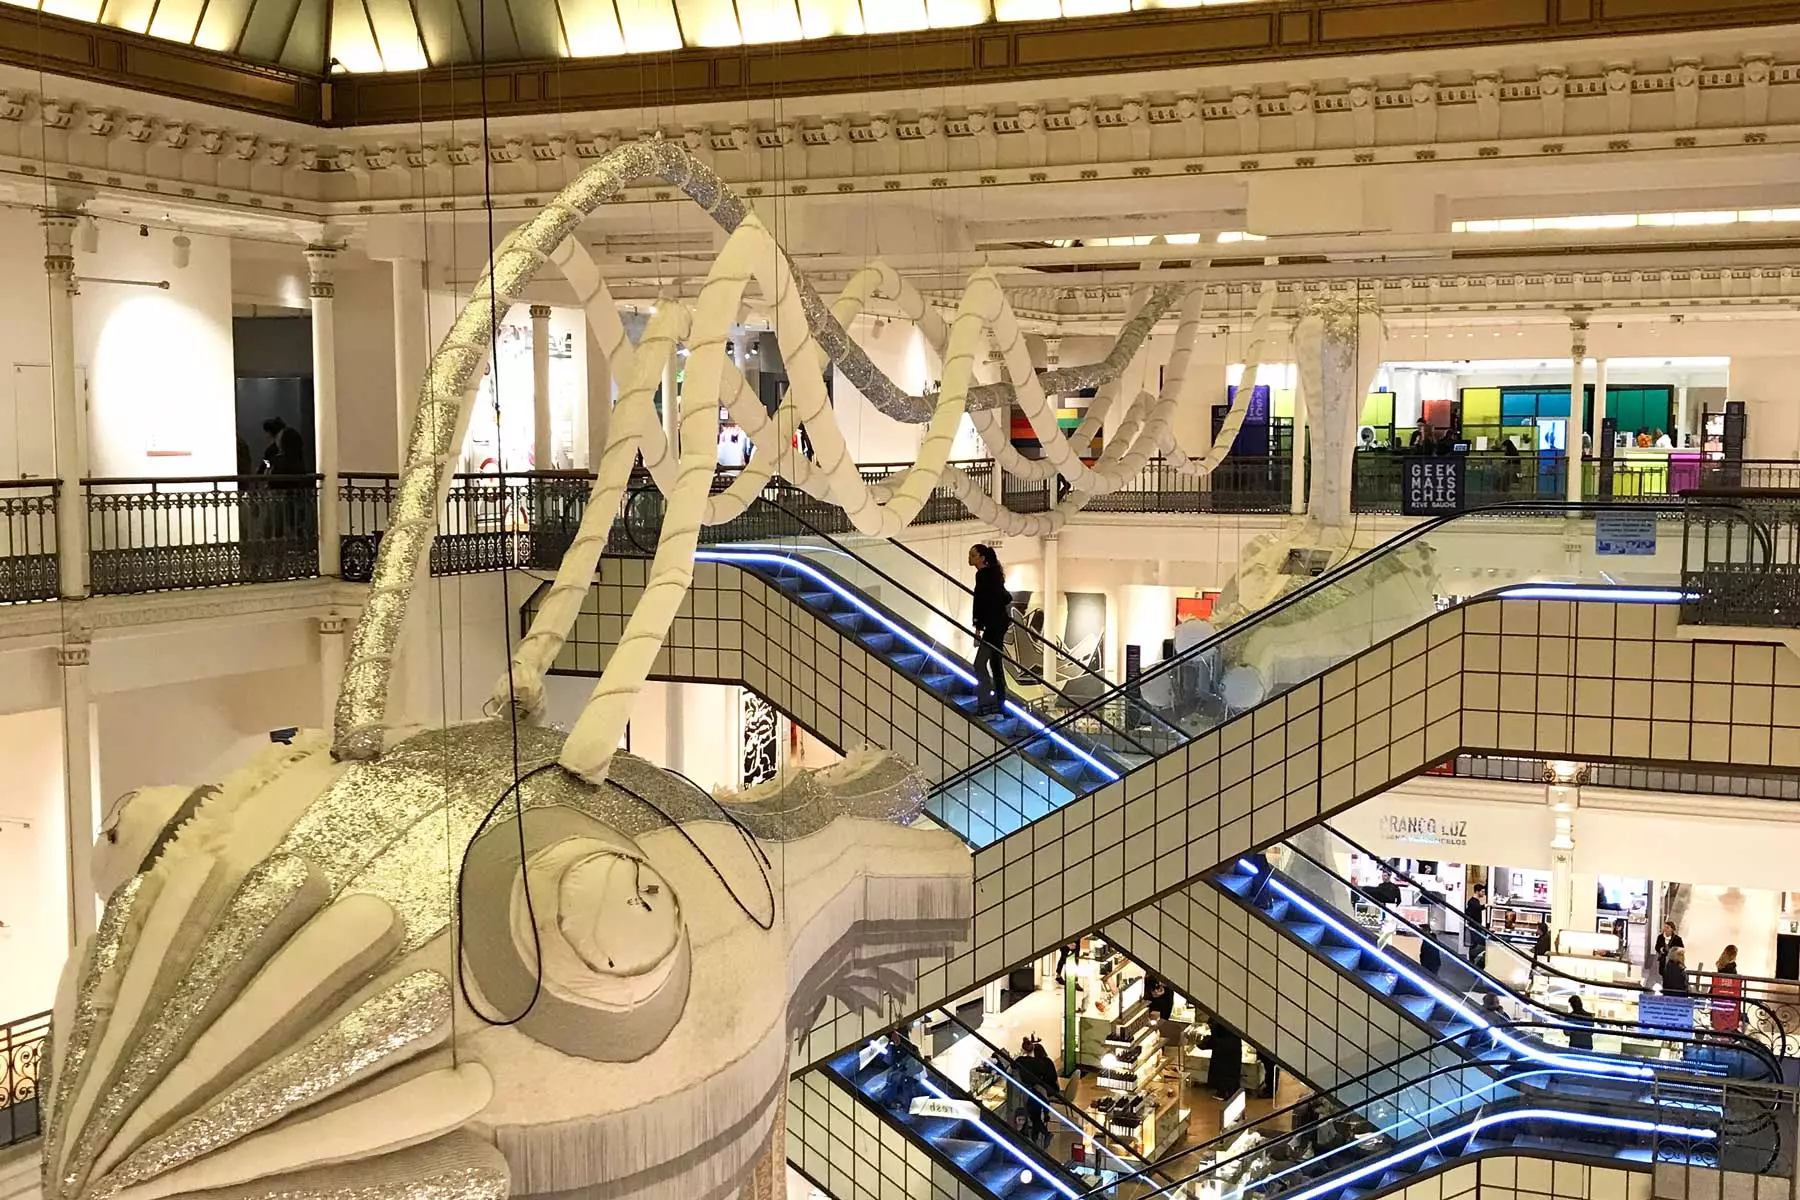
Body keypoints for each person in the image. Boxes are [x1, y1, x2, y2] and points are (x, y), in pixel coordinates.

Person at [968, 543, 1011, 715]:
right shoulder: (993, 573)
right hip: (998, 623)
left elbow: (979, 601)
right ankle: (999, 701)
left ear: (982, 558)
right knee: (995, 664)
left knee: (980, 663)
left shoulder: (984, 575)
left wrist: (978, 628)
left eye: (973, 555)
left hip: (994, 625)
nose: (969, 558)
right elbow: (1004, 597)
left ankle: (986, 700)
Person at [1201, 1023, 1243, 1098]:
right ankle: (1232, 1091)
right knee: (1232, 1070)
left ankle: (1223, 1092)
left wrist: (1204, 1043)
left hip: (1222, 1049)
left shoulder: (1218, 1023)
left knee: (1222, 1071)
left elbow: (1215, 1037)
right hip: (1233, 1047)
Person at [1463, 884, 1489, 968]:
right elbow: (1475, 908)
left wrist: (1485, 906)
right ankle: (1471, 958)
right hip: (1474, 926)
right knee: (1478, 943)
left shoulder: (1475, 901)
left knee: (1475, 943)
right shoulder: (1472, 902)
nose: (1483, 893)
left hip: (1476, 926)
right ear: (1477, 891)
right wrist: (1485, 906)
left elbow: (1477, 908)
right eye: (1482, 891)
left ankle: (1471, 960)